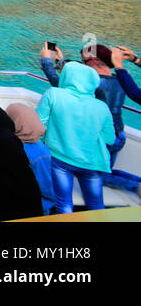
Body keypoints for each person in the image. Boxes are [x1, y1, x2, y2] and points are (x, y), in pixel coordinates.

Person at [41, 42, 141, 191]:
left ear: (94, 60)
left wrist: (46, 62)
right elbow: (75, 79)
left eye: (84, 62)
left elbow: (62, 86)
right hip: (119, 135)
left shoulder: (93, 84)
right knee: (106, 171)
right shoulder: (121, 80)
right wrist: (60, 60)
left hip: (102, 138)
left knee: (98, 176)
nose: (83, 66)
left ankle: (136, 186)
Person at [37, 60, 115, 214]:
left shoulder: (54, 94)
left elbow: (39, 125)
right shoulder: (102, 106)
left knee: (64, 204)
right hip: (92, 162)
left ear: (66, 76)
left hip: (59, 159)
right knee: (96, 206)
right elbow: (110, 139)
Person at [6, 102, 55, 216]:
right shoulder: (43, 149)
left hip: (22, 209)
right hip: (41, 207)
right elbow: (48, 188)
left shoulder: (12, 148)